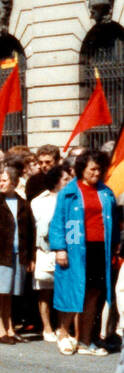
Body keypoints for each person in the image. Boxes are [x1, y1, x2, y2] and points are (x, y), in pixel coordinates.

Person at [49, 149, 119, 356]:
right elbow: (57, 222)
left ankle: (86, 340)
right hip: (75, 248)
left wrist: (115, 244)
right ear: (82, 169)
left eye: (100, 169)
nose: (97, 173)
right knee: (73, 291)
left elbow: (113, 222)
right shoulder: (68, 193)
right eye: (93, 169)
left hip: (100, 249)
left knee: (94, 294)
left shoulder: (106, 193)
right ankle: (63, 333)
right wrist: (59, 248)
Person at [0, 163, 36, 344]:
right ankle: (0, 329)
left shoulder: (24, 204)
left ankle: (10, 328)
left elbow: (30, 232)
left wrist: (31, 257)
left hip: (18, 255)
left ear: (15, 182)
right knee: (0, 292)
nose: (1, 184)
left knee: (10, 293)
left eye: (4, 180)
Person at [31, 162, 71, 342]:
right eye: (65, 179)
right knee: (45, 291)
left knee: (64, 290)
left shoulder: (72, 199)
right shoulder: (39, 201)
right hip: (44, 252)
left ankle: (62, 327)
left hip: (65, 252)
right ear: (56, 181)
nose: (69, 181)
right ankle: (47, 327)